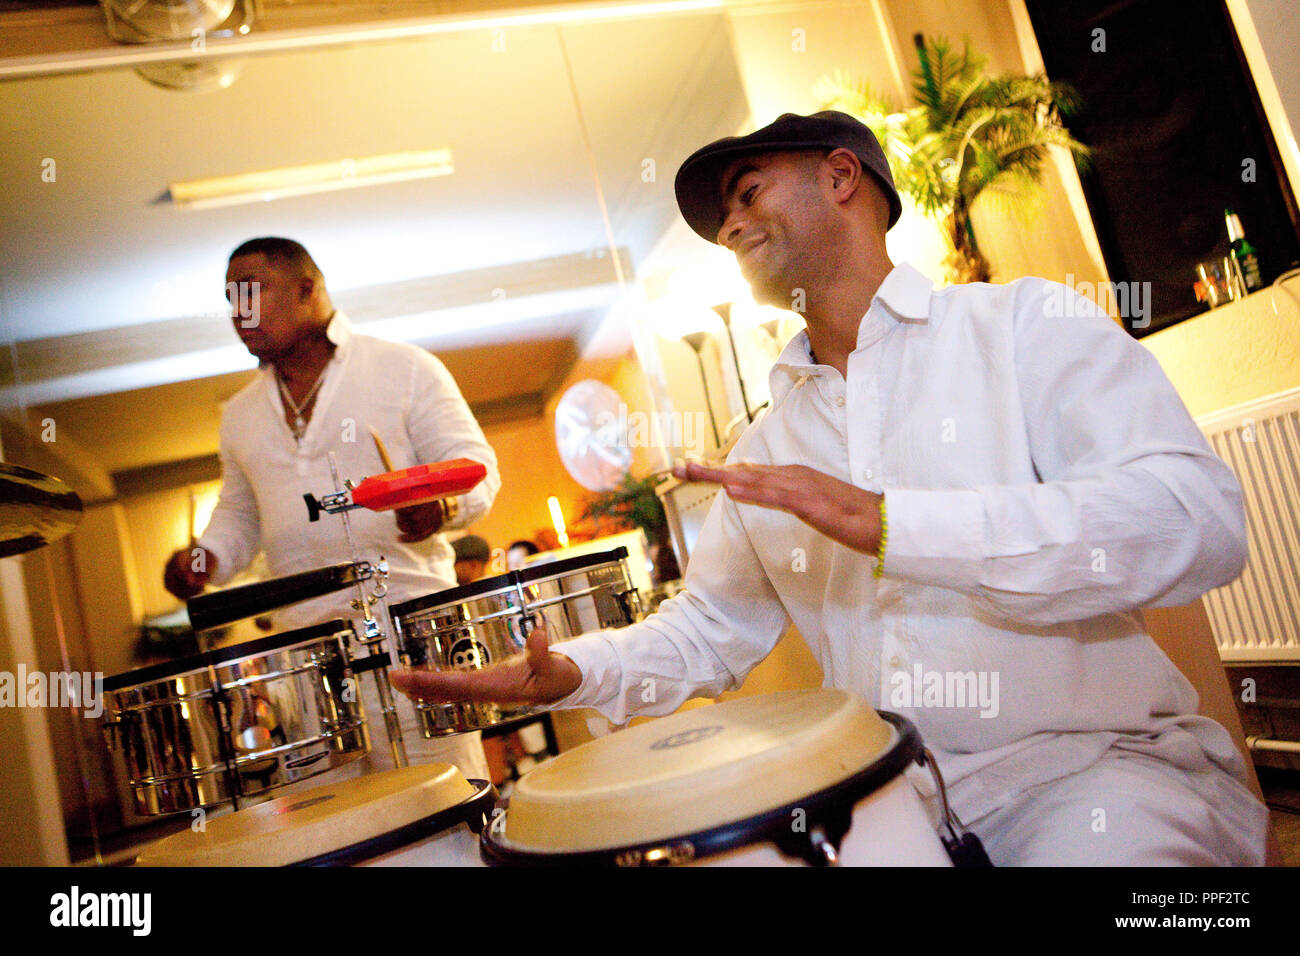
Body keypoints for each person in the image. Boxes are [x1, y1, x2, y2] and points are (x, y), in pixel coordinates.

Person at [390, 112, 1269, 865]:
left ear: (843, 176)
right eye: (723, 215)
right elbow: (710, 629)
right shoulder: (766, 448)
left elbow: (1197, 517)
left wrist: (892, 523)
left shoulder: (1024, 325)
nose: (729, 227)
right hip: (885, 799)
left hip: (1091, 773)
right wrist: (570, 674)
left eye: (747, 192)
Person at [165, 236, 501, 782]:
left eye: (252, 292)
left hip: (413, 635)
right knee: (337, 827)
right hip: (304, 659)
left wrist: (443, 507)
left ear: (307, 290)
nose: (237, 313)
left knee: (447, 803)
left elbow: (474, 467)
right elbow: (240, 517)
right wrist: (204, 560)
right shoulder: (239, 414)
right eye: (230, 298)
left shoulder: (404, 367)